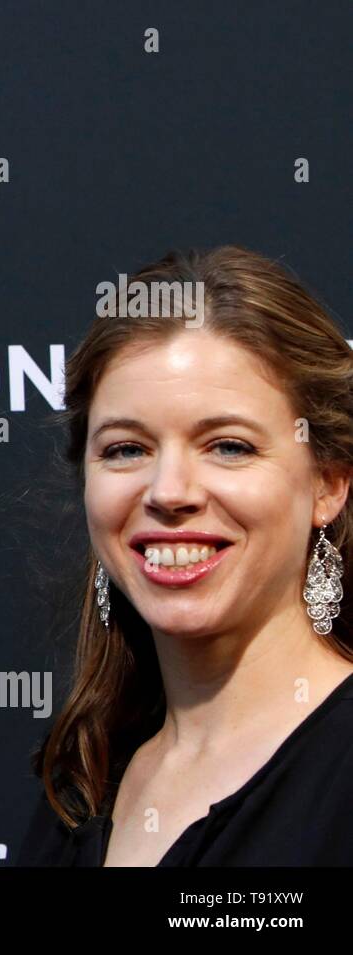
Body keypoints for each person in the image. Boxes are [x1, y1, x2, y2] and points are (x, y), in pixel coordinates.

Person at [18, 245, 353, 865]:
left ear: (328, 483)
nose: (169, 492)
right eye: (125, 449)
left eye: (227, 446)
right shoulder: (79, 780)